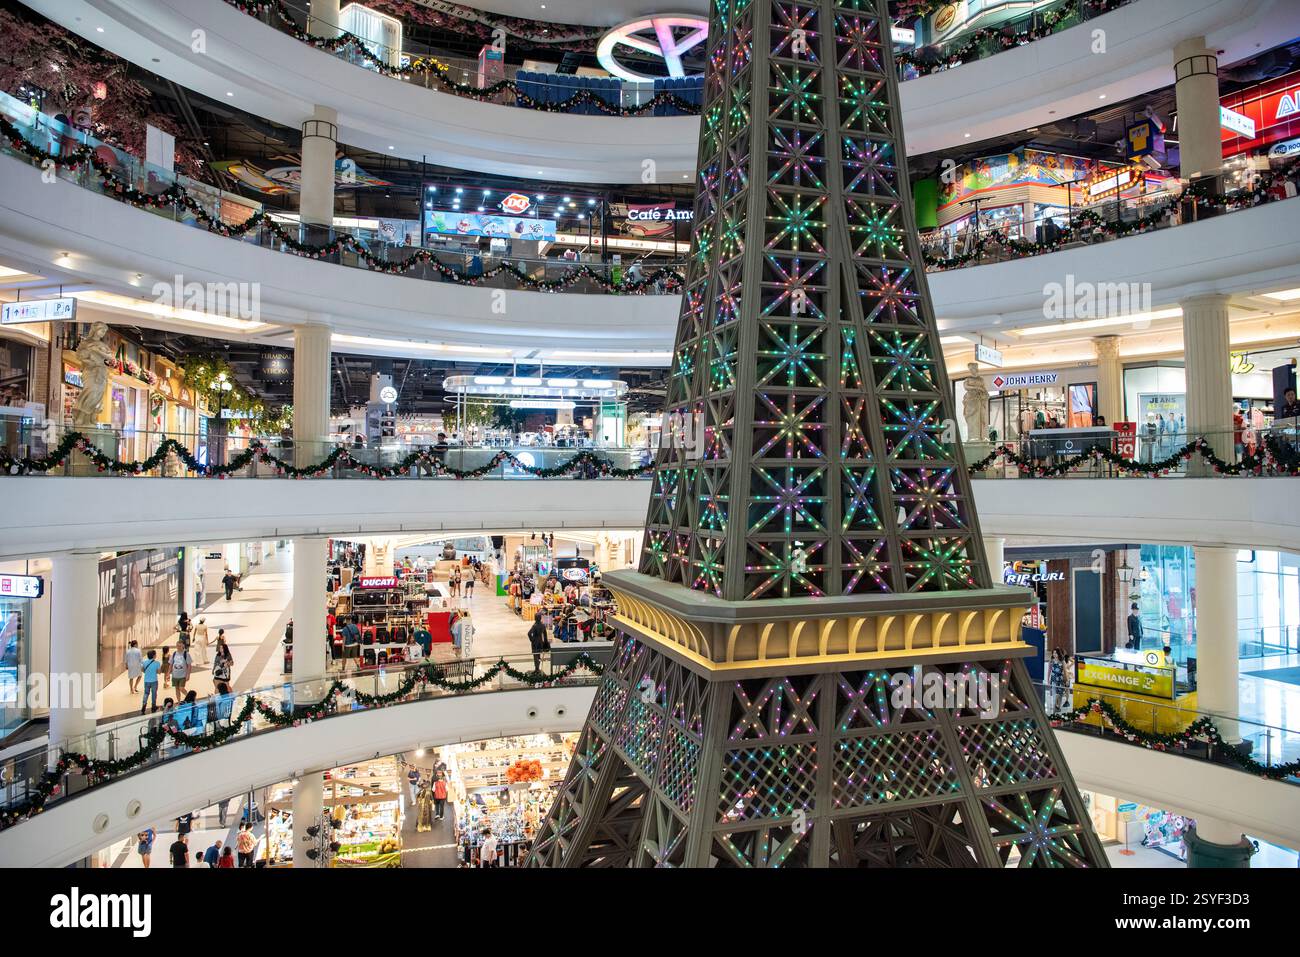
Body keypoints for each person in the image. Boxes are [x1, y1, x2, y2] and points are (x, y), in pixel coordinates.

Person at [140, 649, 161, 714]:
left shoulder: (144, 662)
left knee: (146, 693)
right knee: (154, 693)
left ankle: (144, 704)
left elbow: (142, 670)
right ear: (154, 656)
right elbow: (159, 672)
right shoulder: (157, 663)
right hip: (154, 680)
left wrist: (147, 672)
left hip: (146, 680)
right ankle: (153, 706)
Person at [1047, 648, 1067, 714]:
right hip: (1053, 679)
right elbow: (1049, 671)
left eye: (1056, 653)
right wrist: (1048, 680)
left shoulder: (1062, 661)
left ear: (1059, 654)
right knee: (1055, 694)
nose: (1054, 654)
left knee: (1060, 694)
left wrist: (1066, 680)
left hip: (1060, 680)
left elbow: (1065, 671)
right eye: (1053, 653)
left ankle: (1058, 707)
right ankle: (1054, 708)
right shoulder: (1051, 661)